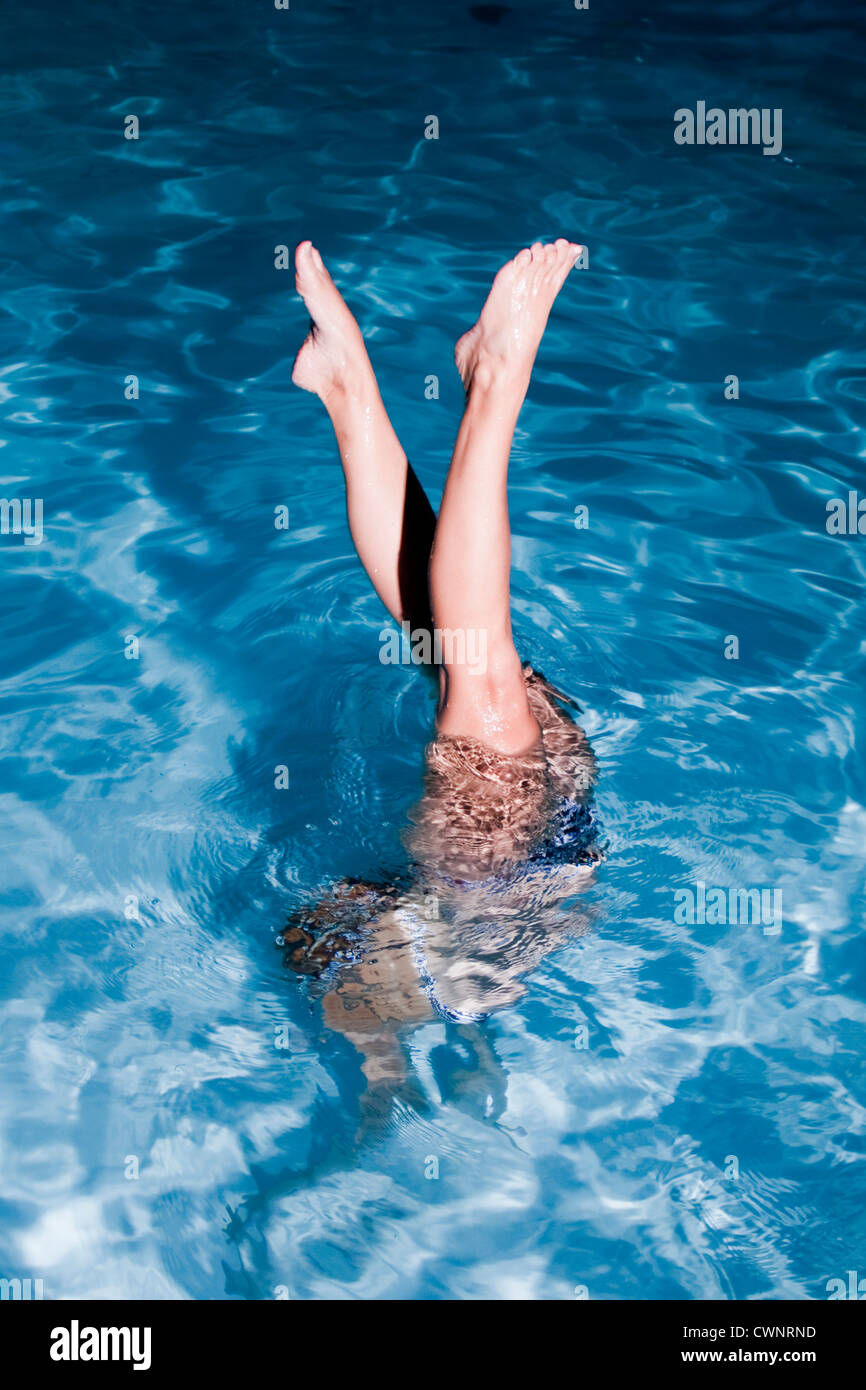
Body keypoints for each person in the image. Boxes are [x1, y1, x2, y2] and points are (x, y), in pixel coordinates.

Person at [282, 241, 601, 1109]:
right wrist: (454, 1057)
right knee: (452, 638)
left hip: (500, 853)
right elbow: (433, 1025)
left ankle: (494, 385)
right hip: (522, 844)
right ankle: (350, 391)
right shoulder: (454, 972)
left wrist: (387, 1070)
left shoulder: (457, 924)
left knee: (478, 666)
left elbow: (381, 1025)